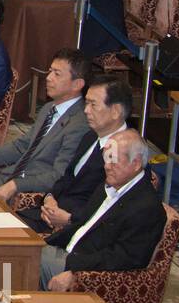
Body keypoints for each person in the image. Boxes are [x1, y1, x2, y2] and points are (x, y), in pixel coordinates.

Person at [40, 130, 163, 290]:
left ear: (136, 163)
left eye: (113, 160)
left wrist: (76, 272)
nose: (106, 166)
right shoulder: (108, 185)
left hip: (81, 266)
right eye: (106, 159)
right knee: (8, 251)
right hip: (64, 250)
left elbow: (124, 258)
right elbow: (83, 224)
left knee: (7, 261)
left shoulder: (147, 208)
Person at [0, 48, 91, 202]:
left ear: (77, 84)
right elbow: (22, 146)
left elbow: (58, 175)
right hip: (8, 176)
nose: (48, 78)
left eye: (57, 74)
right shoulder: (48, 108)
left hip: (27, 191)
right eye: (50, 71)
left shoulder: (80, 124)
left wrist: (15, 185)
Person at [18, 76, 132, 233]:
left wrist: (69, 219)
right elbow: (67, 177)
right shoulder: (90, 136)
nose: (86, 110)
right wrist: (50, 198)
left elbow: (110, 204)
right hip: (48, 214)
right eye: (86, 103)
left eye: (93, 105)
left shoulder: (125, 153)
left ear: (116, 111)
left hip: (78, 228)